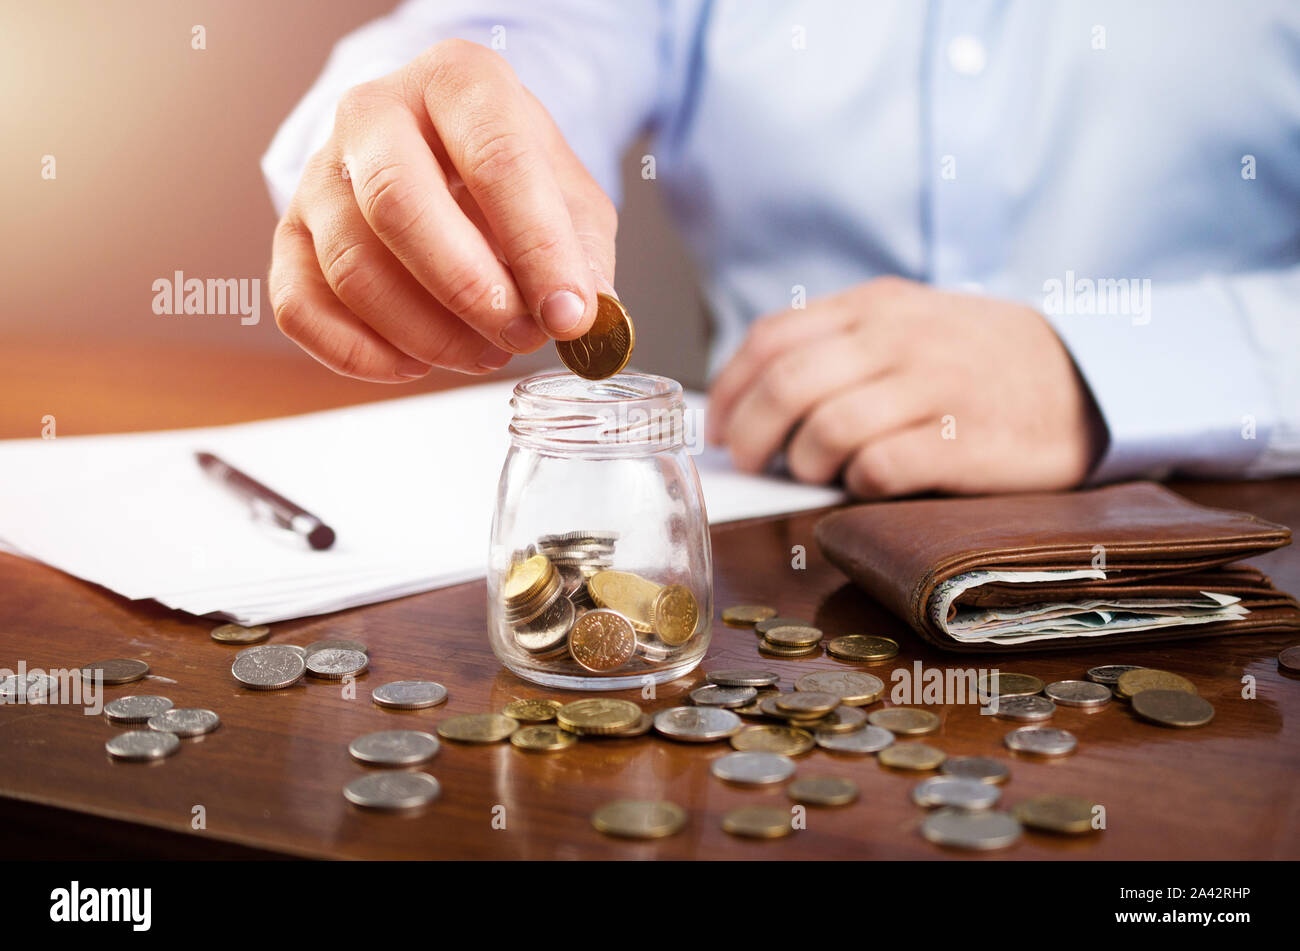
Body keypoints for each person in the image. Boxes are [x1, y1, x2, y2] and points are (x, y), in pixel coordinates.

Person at [262, 1, 1299, 498]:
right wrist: (426, 120)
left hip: (1225, 537)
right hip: (768, 537)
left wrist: (1094, 369)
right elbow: (520, 28)